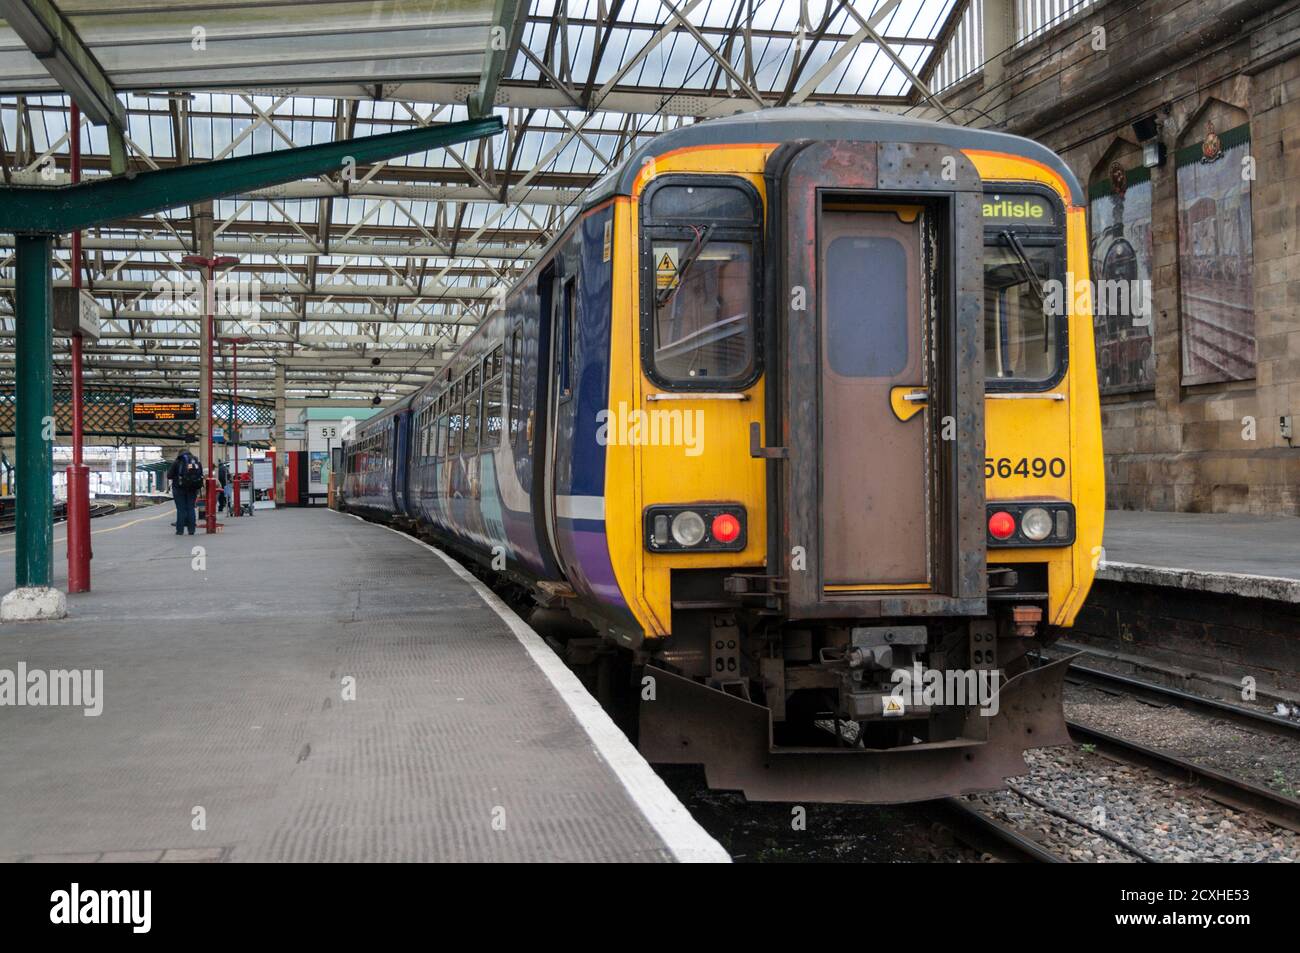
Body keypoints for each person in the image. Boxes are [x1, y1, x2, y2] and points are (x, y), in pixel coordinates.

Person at [167, 446, 204, 536]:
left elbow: (169, 476)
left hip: (179, 489)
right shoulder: (196, 462)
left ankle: (180, 530)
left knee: (181, 509)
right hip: (192, 488)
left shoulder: (177, 462)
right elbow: (201, 474)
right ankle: (191, 530)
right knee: (190, 508)